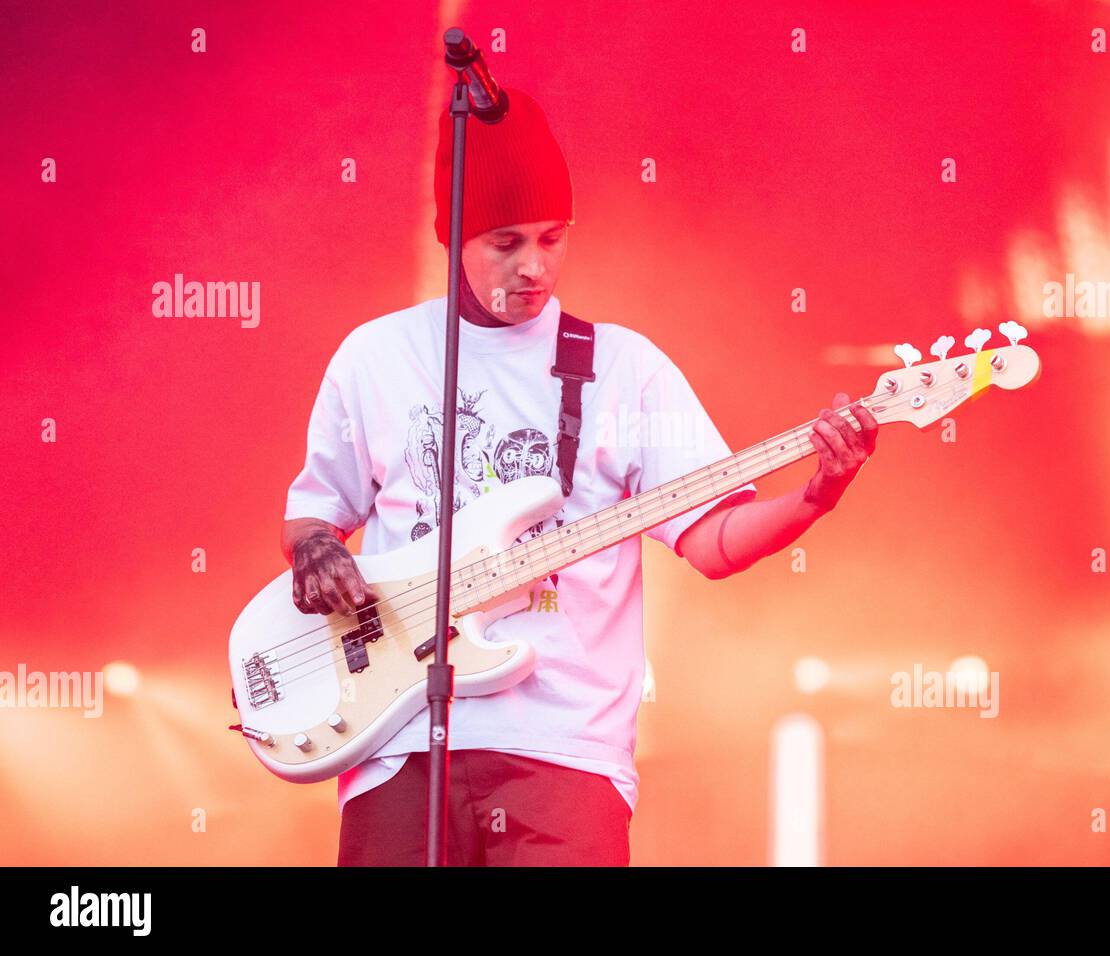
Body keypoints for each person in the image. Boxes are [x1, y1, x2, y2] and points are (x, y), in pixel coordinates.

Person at [281, 87, 878, 866]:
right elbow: (311, 516)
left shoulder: (623, 369)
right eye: (505, 242)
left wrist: (815, 495)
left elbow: (714, 543)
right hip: (398, 744)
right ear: (452, 235)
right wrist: (316, 555)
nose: (534, 266)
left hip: (563, 753)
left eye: (552, 237)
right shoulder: (376, 357)